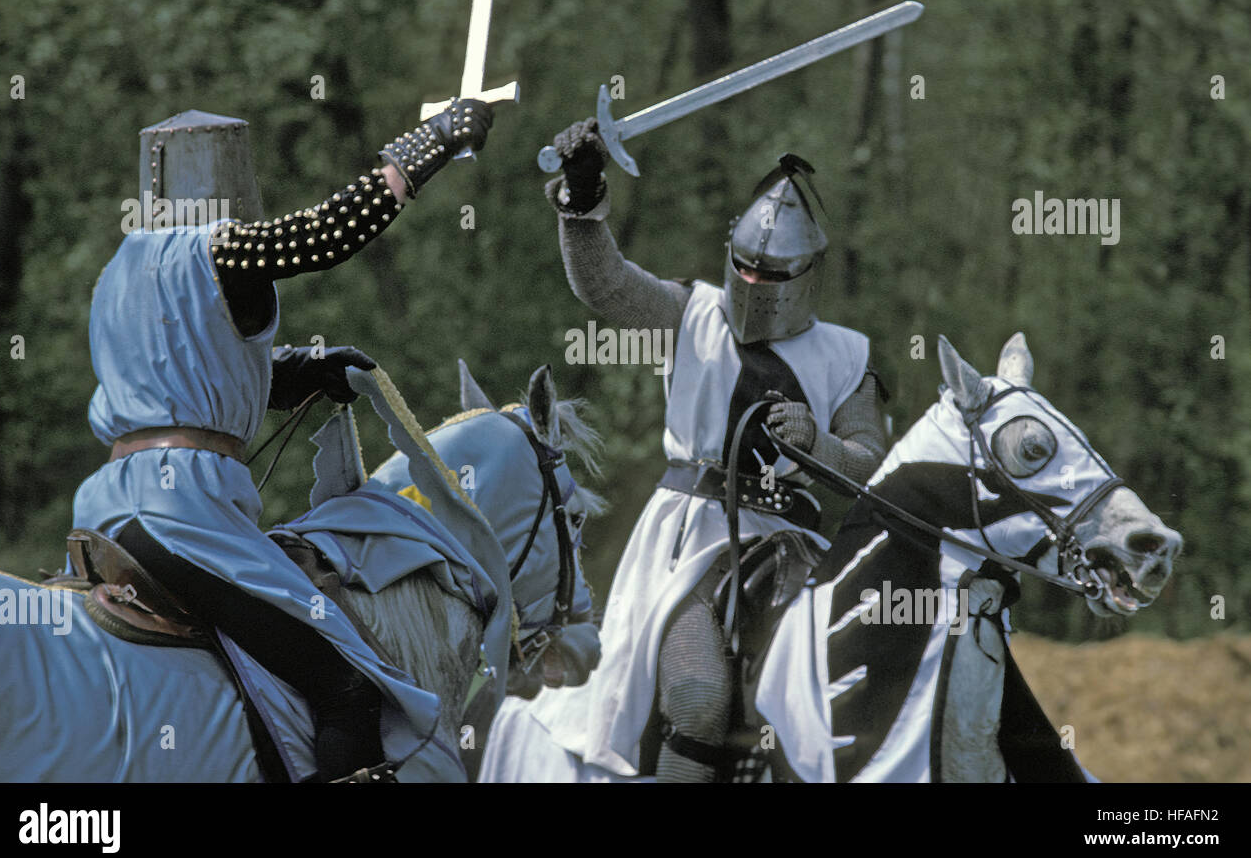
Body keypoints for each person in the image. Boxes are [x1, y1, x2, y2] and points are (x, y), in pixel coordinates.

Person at [71, 102, 494, 781]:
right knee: (348, 692)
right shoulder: (217, 251)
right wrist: (427, 146)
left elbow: (177, 378)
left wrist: (289, 372)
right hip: (182, 517)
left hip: (106, 509)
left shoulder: (118, 276)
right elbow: (324, 233)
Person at [536, 119, 888, 781]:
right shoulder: (688, 312)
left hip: (791, 548)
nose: (754, 283)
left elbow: (874, 471)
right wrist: (583, 193)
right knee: (697, 695)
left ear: (807, 273)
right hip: (690, 541)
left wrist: (819, 442)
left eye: (772, 271)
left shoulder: (846, 357)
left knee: (826, 705)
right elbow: (604, 285)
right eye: (746, 267)